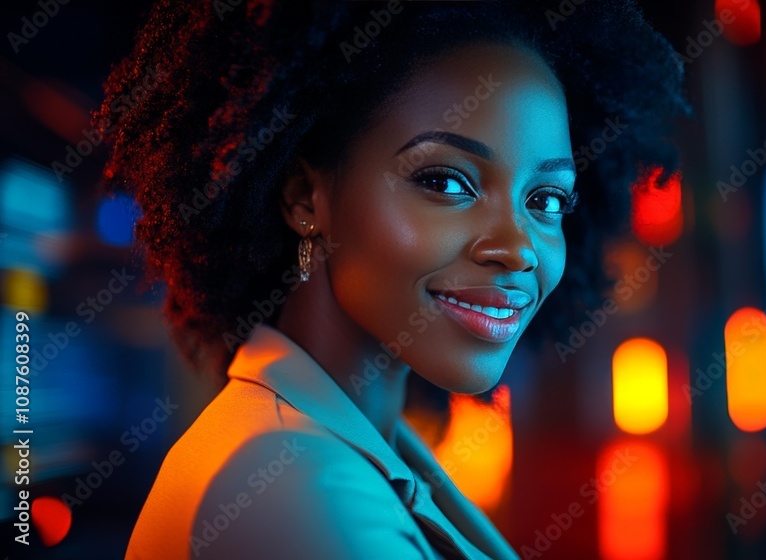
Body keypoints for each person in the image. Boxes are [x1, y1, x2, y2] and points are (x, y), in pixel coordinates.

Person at [97, 1, 685, 558]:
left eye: (547, 199)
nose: (517, 248)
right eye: (447, 183)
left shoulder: (362, 450)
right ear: (307, 197)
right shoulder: (293, 487)